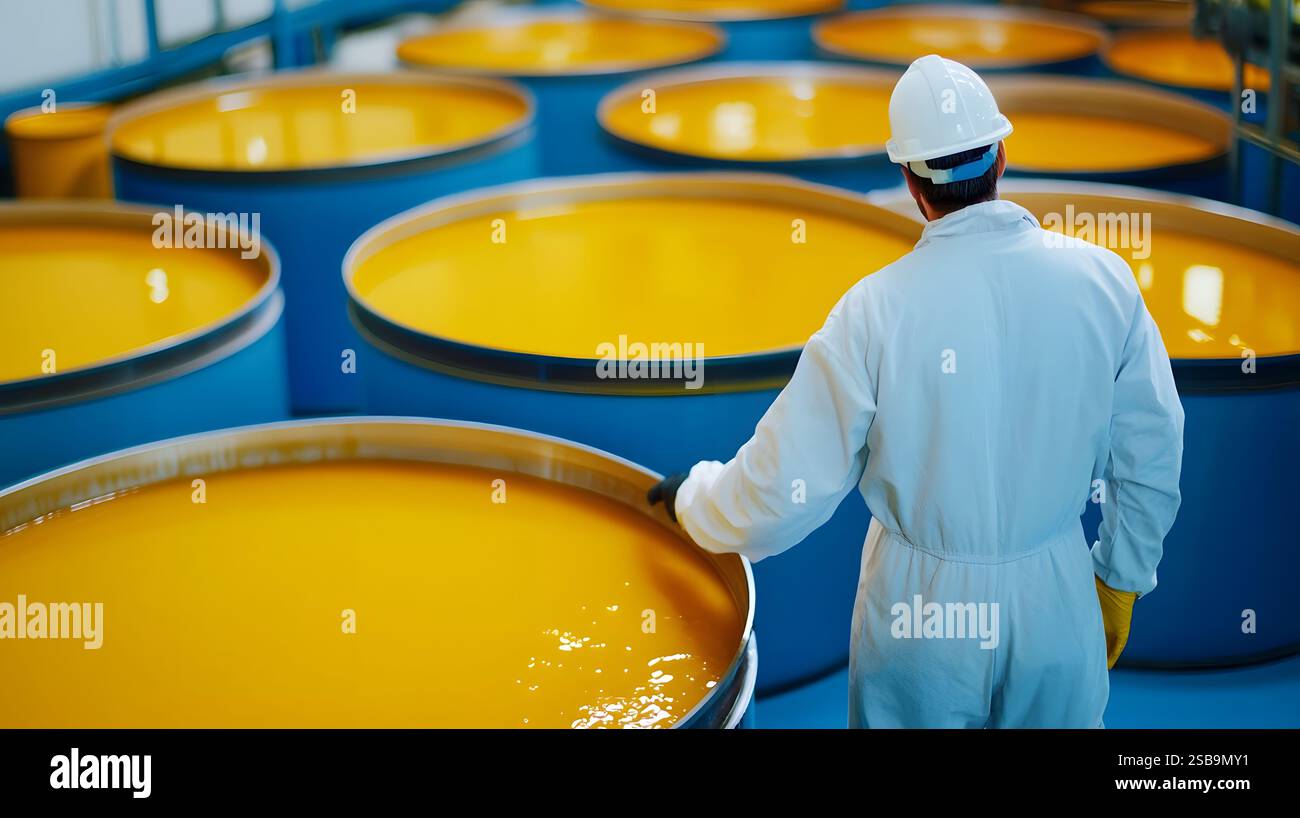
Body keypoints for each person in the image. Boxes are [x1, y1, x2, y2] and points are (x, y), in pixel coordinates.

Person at [647, 55, 1184, 728]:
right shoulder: (1104, 283)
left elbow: (781, 491)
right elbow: (1154, 451)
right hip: (1057, 599)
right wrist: (1122, 577)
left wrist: (695, 501)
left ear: (908, 179)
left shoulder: (873, 312)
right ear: (1002, 155)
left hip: (922, 619)